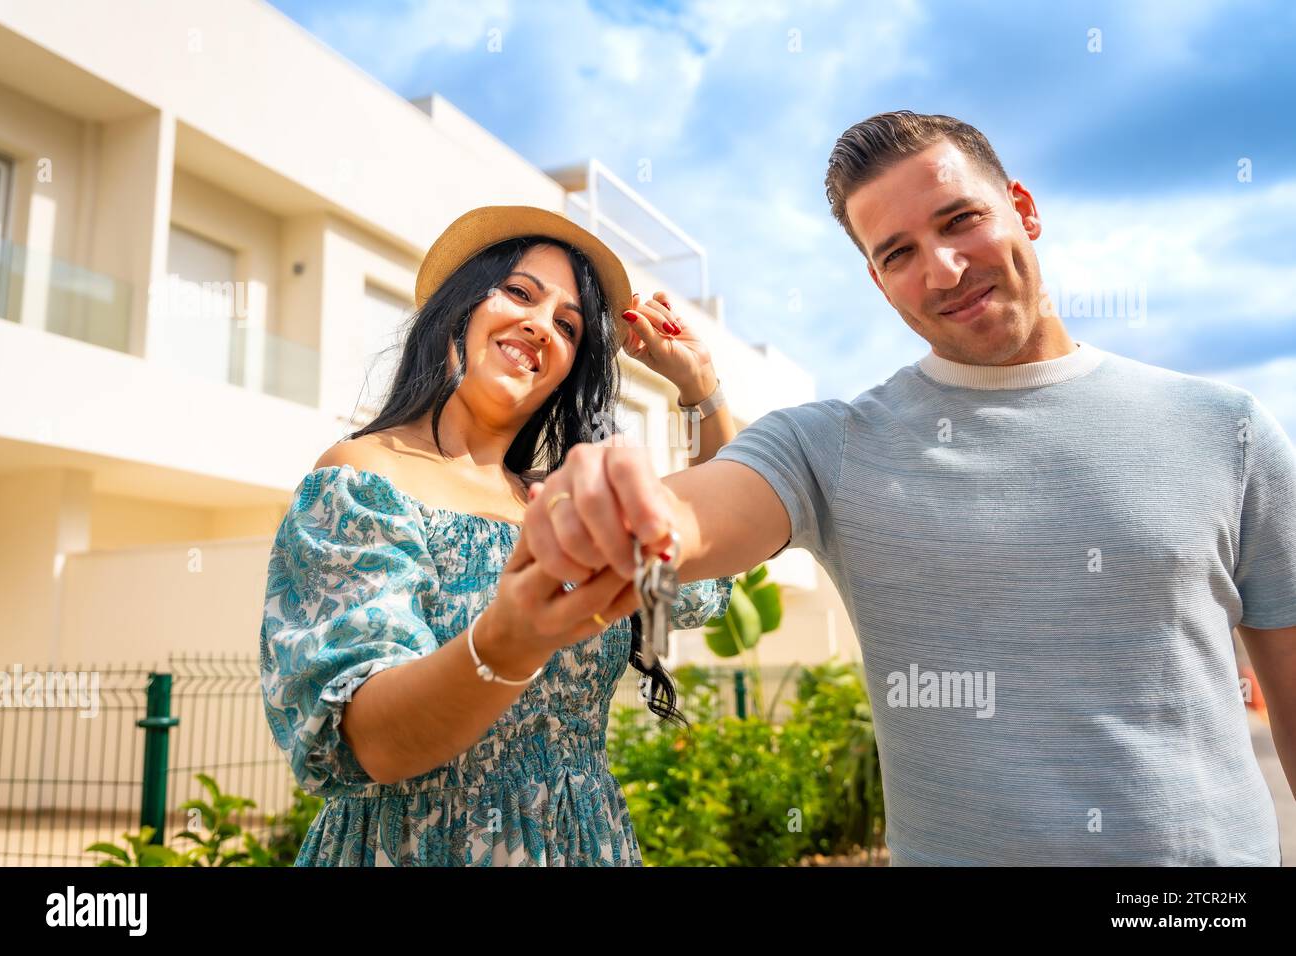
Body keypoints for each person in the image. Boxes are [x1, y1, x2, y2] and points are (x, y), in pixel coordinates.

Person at [518, 112, 1296, 866]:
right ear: (878, 280)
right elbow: (692, 514)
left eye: (960, 220)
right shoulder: (832, 444)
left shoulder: (1225, 427)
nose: (944, 270)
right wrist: (611, 509)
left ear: (1022, 209)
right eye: (898, 253)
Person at [259, 205, 736, 866]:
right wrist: (511, 639)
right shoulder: (362, 476)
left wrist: (701, 391)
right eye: (519, 293)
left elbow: (703, 572)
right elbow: (370, 742)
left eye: (568, 326)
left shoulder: (554, 502)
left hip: (583, 844)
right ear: (459, 309)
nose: (541, 326)